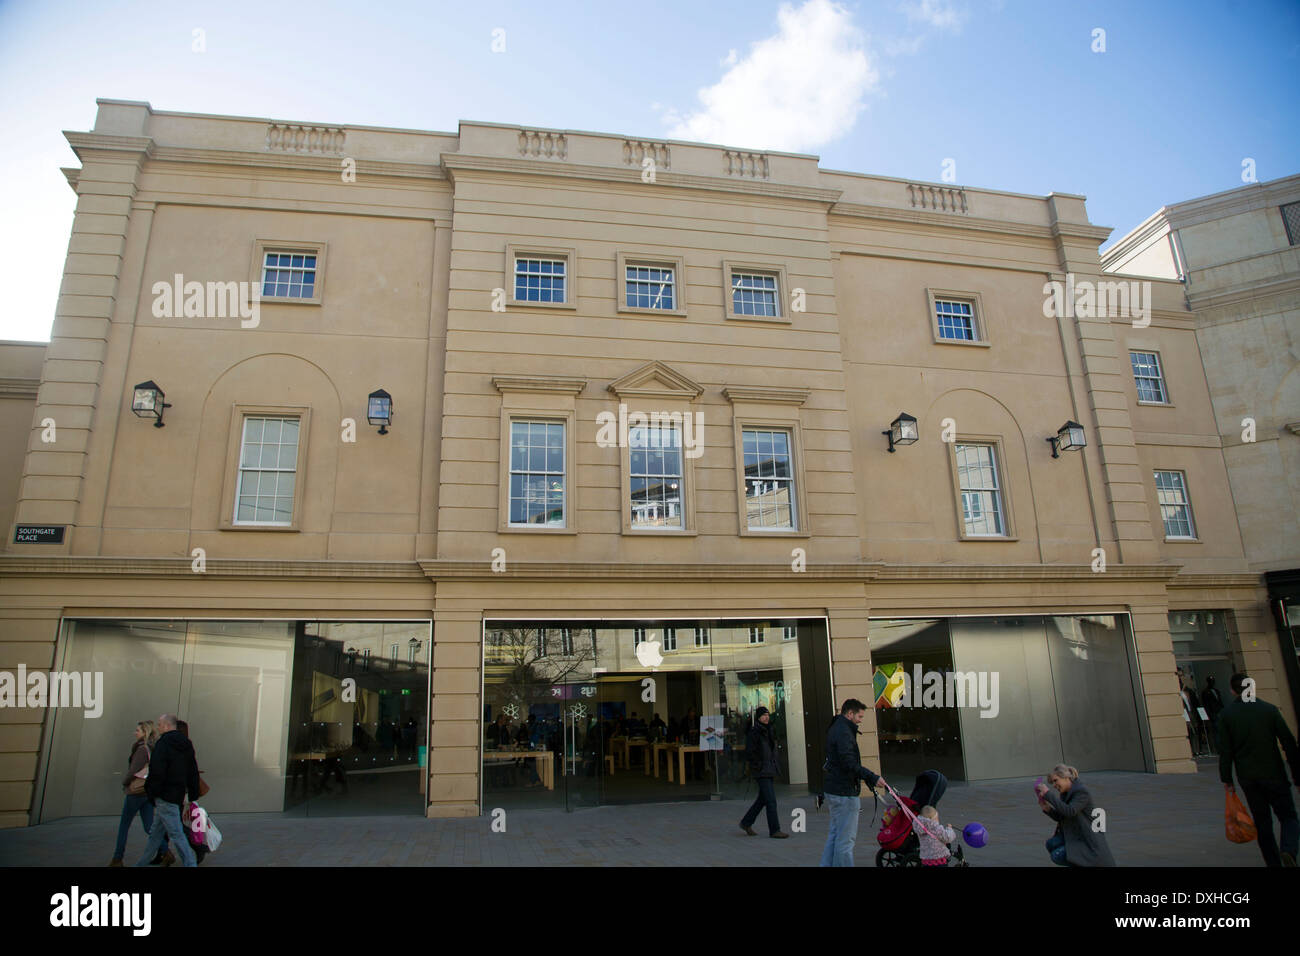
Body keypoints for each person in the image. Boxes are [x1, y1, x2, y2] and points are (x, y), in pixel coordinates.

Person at [1217, 672, 1300, 867]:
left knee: (1262, 823)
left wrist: (1227, 779)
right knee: (1289, 817)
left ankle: (1273, 863)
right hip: (1274, 774)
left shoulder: (1226, 715)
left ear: (1232, 690)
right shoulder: (1269, 710)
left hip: (1248, 778)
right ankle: (1288, 849)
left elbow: (1225, 751)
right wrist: (1297, 776)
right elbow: (1288, 742)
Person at [819, 699, 886, 867]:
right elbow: (849, 763)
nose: (860, 720)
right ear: (850, 713)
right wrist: (872, 777)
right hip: (844, 792)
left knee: (835, 835)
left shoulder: (837, 728)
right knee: (845, 841)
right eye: (859, 716)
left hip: (835, 789)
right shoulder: (844, 732)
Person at [134, 713, 201, 868]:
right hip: (176, 794)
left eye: (159, 724)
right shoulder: (186, 744)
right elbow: (192, 769)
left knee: (176, 833)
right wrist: (193, 793)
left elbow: (156, 770)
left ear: (166, 726)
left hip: (164, 795)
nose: (158, 727)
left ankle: (191, 864)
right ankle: (141, 863)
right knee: (156, 834)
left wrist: (151, 792)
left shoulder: (163, 744)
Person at [110, 720, 170, 866]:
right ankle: (166, 852)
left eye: (137, 730)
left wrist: (125, 782)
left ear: (144, 733)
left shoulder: (142, 750)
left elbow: (133, 771)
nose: (134, 732)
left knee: (124, 825)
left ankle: (118, 858)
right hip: (146, 792)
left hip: (135, 793)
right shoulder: (152, 748)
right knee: (149, 826)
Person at [1034, 764, 1116, 866]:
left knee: (1057, 855)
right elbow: (1062, 817)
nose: (1054, 785)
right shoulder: (1065, 793)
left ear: (1066, 777)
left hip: (1086, 839)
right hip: (1075, 834)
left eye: (1056, 780)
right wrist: (1048, 809)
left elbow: (1070, 811)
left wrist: (1048, 794)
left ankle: (1081, 862)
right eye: (1052, 783)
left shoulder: (1081, 792)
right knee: (1051, 844)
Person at [739, 707, 788, 838]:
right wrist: (758, 765)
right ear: (759, 717)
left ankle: (746, 822)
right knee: (771, 800)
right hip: (762, 771)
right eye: (763, 715)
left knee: (763, 799)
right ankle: (775, 830)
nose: (766, 717)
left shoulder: (769, 730)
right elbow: (750, 752)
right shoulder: (755, 732)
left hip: (769, 769)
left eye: (767, 715)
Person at [1201, 676, 1225, 753]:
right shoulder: (1205, 692)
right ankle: (1218, 748)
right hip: (1213, 714)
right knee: (1216, 731)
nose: (1212, 683)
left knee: (1221, 730)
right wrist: (1209, 714)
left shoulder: (1216, 691)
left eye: (1213, 681)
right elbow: (1206, 704)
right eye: (1211, 681)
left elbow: (1220, 701)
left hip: (1219, 712)